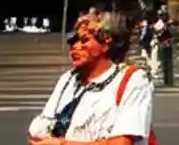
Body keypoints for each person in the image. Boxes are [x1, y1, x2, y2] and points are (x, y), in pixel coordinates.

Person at [28, 12, 154, 145]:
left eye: (84, 40)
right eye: (73, 41)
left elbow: (121, 143)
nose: (75, 47)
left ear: (106, 44)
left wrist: (61, 144)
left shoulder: (133, 80)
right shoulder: (68, 79)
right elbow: (44, 124)